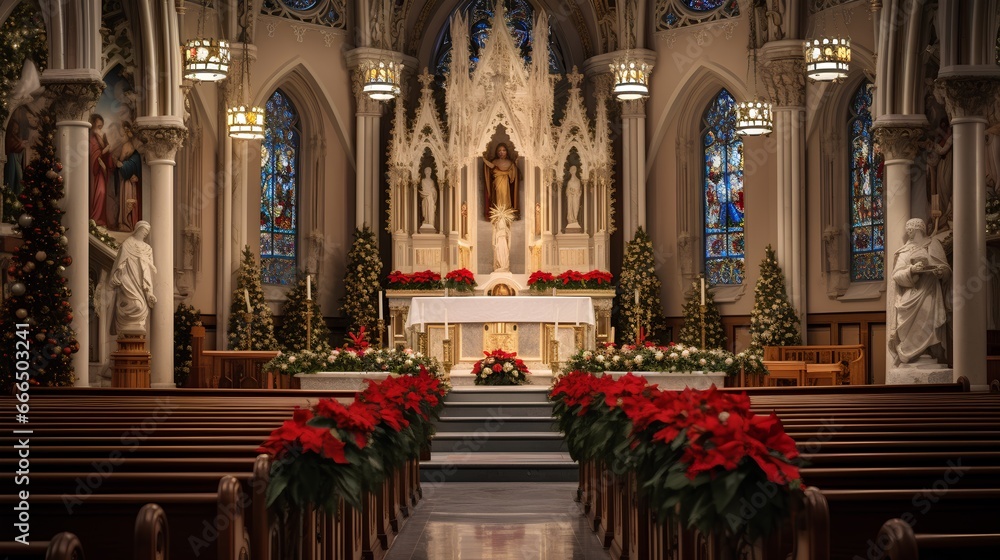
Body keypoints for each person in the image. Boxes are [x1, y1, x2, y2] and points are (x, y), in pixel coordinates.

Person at [888, 218, 951, 365]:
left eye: (910, 229)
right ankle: (908, 353)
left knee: (928, 317)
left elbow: (946, 268)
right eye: (907, 229)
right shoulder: (905, 250)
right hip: (912, 291)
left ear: (919, 229)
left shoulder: (933, 244)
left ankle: (928, 352)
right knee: (902, 317)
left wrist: (941, 272)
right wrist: (911, 270)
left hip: (930, 291)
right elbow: (896, 275)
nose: (908, 232)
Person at [110, 221, 157, 333]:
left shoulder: (148, 248)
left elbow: (150, 268)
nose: (145, 233)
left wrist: (149, 290)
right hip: (128, 277)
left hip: (141, 279)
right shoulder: (128, 243)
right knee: (136, 304)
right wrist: (117, 275)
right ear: (137, 229)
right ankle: (126, 326)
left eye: (147, 232)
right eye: (143, 230)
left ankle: (135, 327)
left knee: (141, 305)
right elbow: (120, 262)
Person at [116, 122, 142, 231]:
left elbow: (122, 161)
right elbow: (120, 161)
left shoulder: (133, 146)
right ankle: (126, 223)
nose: (125, 134)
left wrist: (121, 164)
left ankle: (129, 223)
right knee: (126, 200)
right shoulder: (126, 145)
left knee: (130, 200)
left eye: (126, 132)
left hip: (131, 180)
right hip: (126, 179)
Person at [89, 114, 114, 227]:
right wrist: (104, 151)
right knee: (98, 193)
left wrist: (107, 151)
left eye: (101, 126)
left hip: (101, 171)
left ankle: (99, 219)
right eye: (98, 126)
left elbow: (106, 156)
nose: (100, 129)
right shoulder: (91, 137)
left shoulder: (102, 136)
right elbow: (93, 155)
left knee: (102, 193)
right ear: (93, 124)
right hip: (94, 172)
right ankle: (94, 219)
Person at [483, 142, 518, 219]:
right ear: (497, 152)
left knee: (505, 195)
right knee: (498, 195)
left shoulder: (510, 162)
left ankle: (506, 212)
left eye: (503, 150)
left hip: (506, 182)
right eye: (499, 150)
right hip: (497, 182)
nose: (501, 152)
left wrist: (510, 172)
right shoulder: (494, 162)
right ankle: (498, 213)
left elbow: (513, 176)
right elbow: (490, 169)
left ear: (506, 151)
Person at [4, 119, 26, 199]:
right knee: (12, 178)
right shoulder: (9, 136)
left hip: (16, 160)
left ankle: (16, 197)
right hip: (11, 160)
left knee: (19, 177)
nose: (15, 131)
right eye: (14, 128)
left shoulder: (15, 136)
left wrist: (22, 144)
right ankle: (10, 197)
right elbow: (12, 146)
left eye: (17, 129)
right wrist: (21, 145)